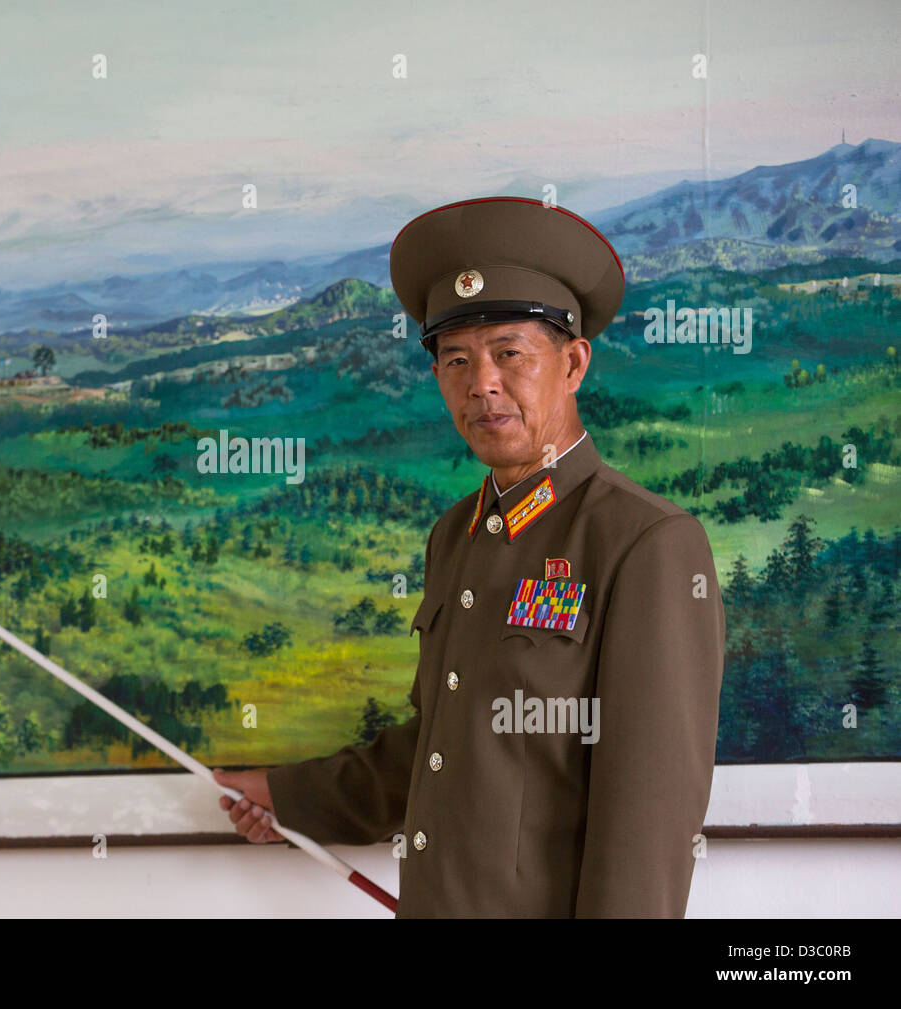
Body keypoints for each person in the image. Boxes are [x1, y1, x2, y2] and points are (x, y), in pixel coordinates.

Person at [214, 197, 726, 917]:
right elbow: (443, 747)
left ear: (573, 363)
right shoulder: (456, 534)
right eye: (456, 359)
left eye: (509, 353)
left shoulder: (647, 542)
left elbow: (647, 825)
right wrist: (288, 797)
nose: (481, 382)